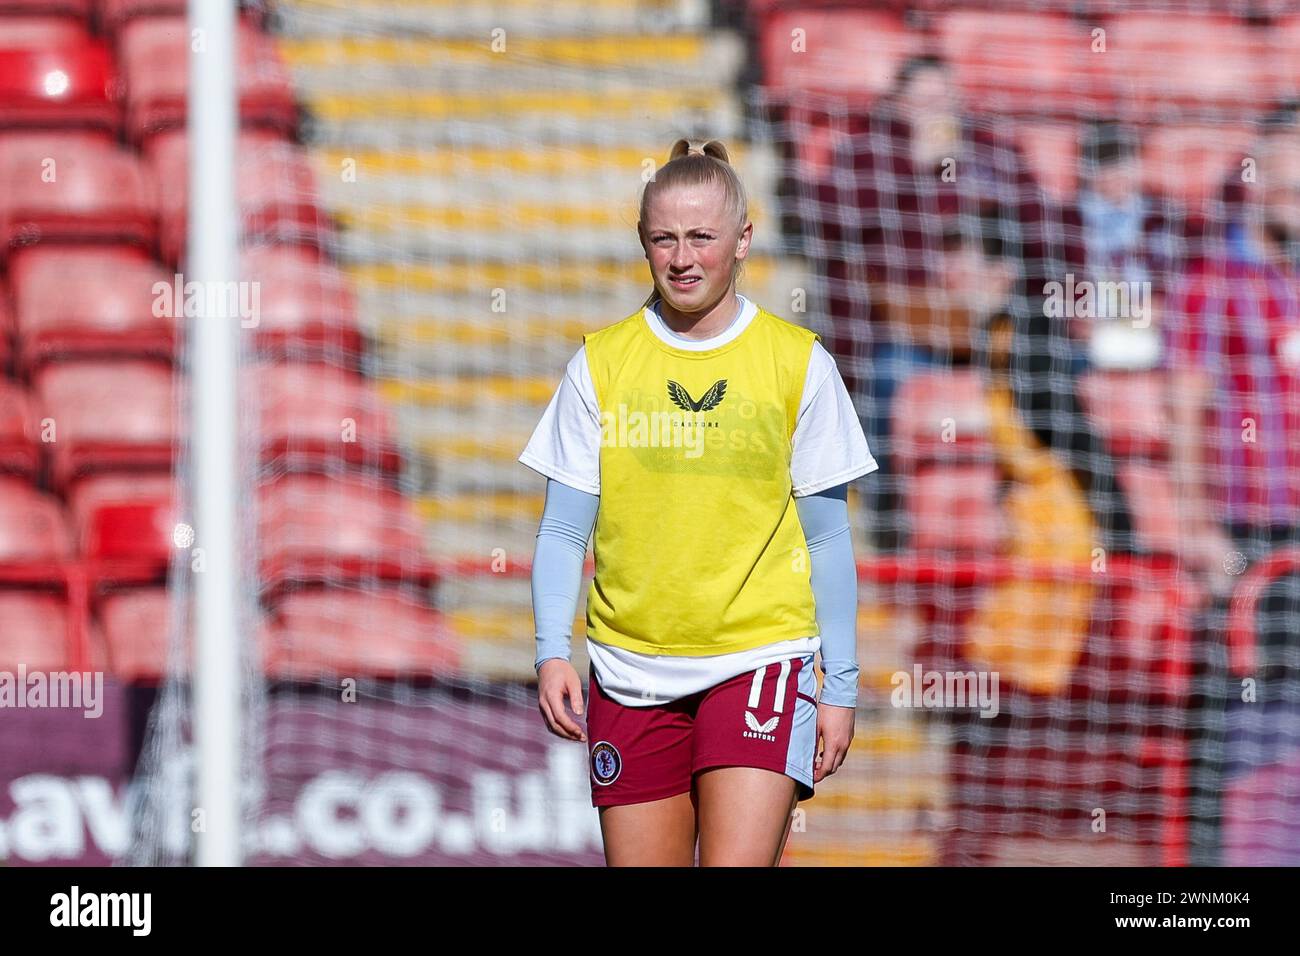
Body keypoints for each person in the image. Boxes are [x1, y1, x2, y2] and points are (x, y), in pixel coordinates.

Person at [518, 138, 879, 866]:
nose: (683, 258)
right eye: (665, 238)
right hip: (627, 670)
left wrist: (839, 684)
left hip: (760, 660)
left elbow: (828, 542)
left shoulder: (799, 362)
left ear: (743, 240)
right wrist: (550, 652)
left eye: (702, 236)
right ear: (644, 244)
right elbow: (562, 531)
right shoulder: (600, 364)